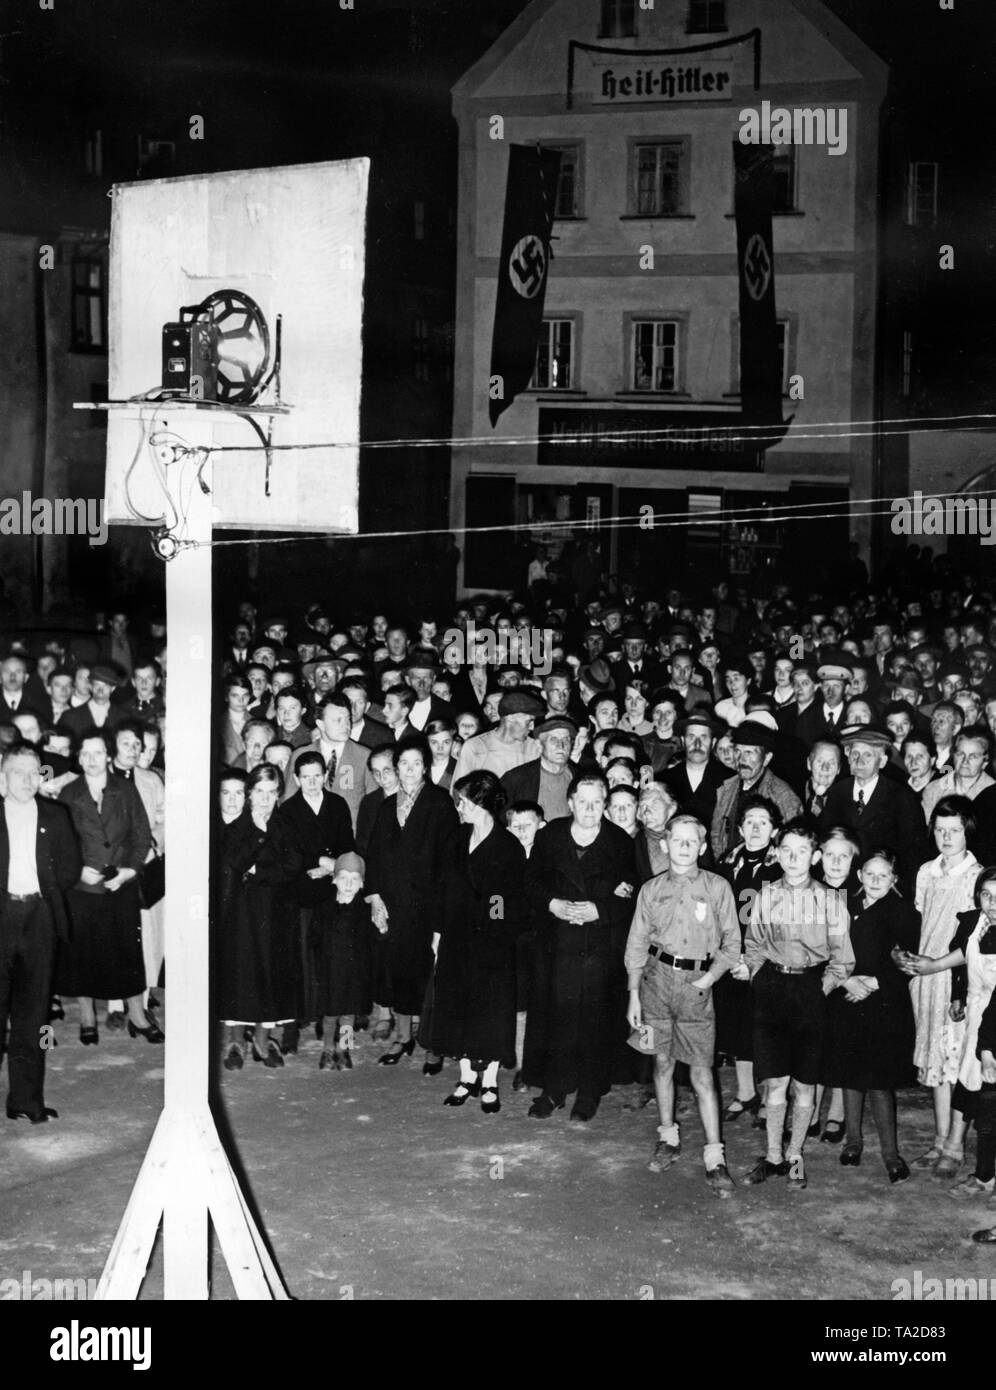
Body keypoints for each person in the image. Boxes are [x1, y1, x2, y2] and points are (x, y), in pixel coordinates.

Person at [624, 813, 741, 1196]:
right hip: (657, 984)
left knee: (702, 1073)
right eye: (678, 840)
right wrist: (633, 994)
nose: (685, 846)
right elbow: (637, 944)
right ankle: (668, 1137)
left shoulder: (717, 887)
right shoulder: (651, 889)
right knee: (662, 1061)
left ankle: (714, 1156)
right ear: (665, 844)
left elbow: (732, 945)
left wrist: (707, 980)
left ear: (703, 847)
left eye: (693, 841)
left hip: (697, 987)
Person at [743, 819, 855, 1191]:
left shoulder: (829, 901)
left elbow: (842, 960)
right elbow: (754, 944)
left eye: (802, 851)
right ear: (777, 853)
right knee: (775, 1082)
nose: (793, 858)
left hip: (810, 987)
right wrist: (762, 979)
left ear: (816, 856)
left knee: (804, 1085)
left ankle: (795, 1158)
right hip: (772, 985)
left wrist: (817, 991)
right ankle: (773, 1155)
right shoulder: (765, 894)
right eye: (786, 850)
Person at [522, 771, 637, 1122]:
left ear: (605, 805)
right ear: (570, 802)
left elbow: (631, 892)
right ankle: (554, 1087)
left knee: (595, 1020)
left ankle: (589, 1091)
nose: (589, 809)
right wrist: (553, 904)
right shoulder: (551, 836)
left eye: (597, 802)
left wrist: (599, 910)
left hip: (600, 947)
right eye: (582, 802)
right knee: (556, 1017)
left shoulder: (619, 841)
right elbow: (531, 883)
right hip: (557, 944)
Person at [422, 771, 526, 1113]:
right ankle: (466, 1077)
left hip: (491, 943)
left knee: (491, 1011)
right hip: (455, 937)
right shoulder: (456, 838)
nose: (459, 808)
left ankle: (491, 1081)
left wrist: (491, 936)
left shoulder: (506, 846)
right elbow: (442, 888)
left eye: (463, 802)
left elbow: (501, 900)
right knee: (458, 1006)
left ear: (480, 803)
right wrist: (438, 933)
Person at [57, 728, 159, 1045]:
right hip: (83, 890)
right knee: (82, 953)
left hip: (120, 885)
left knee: (126, 953)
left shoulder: (125, 789)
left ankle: (138, 1016)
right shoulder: (68, 794)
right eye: (85, 753)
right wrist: (77, 874)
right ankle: (88, 1017)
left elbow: (141, 836)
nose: (92, 759)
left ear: (108, 754)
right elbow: (61, 846)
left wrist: (129, 871)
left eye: (98, 752)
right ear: (78, 757)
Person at [902, 865, 996, 1202]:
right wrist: (932, 966)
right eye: (986, 895)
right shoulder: (975, 923)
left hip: (993, 1024)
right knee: (977, 1097)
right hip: (976, 1016)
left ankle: (986, 1176)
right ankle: (984, 1174)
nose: (992, 903)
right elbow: (961, 957)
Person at [823, 850, 918, 1183]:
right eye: (870, 874)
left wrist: (876, 982)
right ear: (859, 875)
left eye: (884, 875)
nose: (876, 881)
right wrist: (847, 980)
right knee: (850, 1075)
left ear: (893, 880)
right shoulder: (842, 906)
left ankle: (891, 1154)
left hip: (884, 1004)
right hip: (847, 999)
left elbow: (909, 963)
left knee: (879, 1082)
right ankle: (852, 1142)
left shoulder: (904, 913)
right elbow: (826, 950)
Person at [364, 735, 460, 1066]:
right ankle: (403, 1038)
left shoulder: (439, 802)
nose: (408, 770)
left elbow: (449, 862)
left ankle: (433, 1044)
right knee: (398, 971)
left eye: (416, 763)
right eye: (403, 763)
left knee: (430, 975)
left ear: (426, 767)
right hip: (394, 907)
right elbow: (373, 855)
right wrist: (375, 897)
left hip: (428, 907)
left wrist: (443, 914)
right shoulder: (387, 804)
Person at [0, 744, 80, 1123]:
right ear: (3, 776)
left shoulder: (55, 815)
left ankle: (26, 1100)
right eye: (19, 772)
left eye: (35, 772)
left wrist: (41, 898)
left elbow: (69, 868)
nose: (28, 780)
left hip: (40, 920)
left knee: (35, 1017)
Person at [903, 795, 978, 1177]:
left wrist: (938, 967)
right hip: (926, 979)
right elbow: (922, 923)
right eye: (940, 830)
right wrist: (914, 963)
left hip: (956, 979)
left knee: (956, 1063)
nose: (946, 837)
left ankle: (955, 1146)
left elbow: (975, 943)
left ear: (968, 832)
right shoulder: (925, 872)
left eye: (955, 830)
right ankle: (938, 1140)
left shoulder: (977, 877)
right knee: (935, 1062)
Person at [217, 764, 303, 1070]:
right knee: (241, 975)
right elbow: (235, 861)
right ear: (249, 794)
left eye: (271, 792)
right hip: (241, 915)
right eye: (259, 792)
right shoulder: (237, 827)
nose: (265, 799)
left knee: (270, 975)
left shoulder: (285, 825)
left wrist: (259, 871)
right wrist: (257, 833)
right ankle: (235, 1040)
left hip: (276, 914)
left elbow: (293, 866)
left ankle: (263, 1040)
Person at [278, 749, 355, 1051]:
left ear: (326, 776)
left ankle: (331, 1022)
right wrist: (319, 860)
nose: (312, 782)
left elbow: (347, 845)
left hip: (333, 893)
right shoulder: (287, 810)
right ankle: (295, 1024)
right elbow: (290, 854)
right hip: (299, 895)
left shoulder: (337, 804)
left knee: (331, 959)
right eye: (305, 777)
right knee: (299, 959)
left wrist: (329, 865)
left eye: (317, 776)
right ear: (296, 779)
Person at [714, 796, 783, 1123]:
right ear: (740, 828)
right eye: (750, 822)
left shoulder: (782, 864)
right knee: (737, 1025)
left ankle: (771, 1096)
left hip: (768, 957)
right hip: (732, 956)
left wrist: (754, 959)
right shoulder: (727, 862)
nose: (756, 828)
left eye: (763, 822)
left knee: (766, 1028)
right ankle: (745, 1092)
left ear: (774, 829)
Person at [315, 853, 377, 1071]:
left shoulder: (365, 910)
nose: (348, 884)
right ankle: (327, 1050)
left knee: (348, 1015)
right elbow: (315, 940)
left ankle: (344, 1049)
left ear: (362, 883)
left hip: (354, 973)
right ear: (333, 879)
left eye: (354, 879)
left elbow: (372, 943)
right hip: (330, 971)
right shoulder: (324, 908)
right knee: (330, 1015)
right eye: (343, 878)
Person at [710, 720, 803, 862]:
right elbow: (717, 834)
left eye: (749, 752)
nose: (741, 759)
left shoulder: (783, 796)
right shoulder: (726, 789)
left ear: (767, 758)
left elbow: (794, 846)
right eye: (737, 751)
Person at [499, 717, 577, 820]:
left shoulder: (579, 777)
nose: (561, 746)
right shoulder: (516, 779)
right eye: (553, 740)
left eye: (565, 740)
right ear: (539, 745)